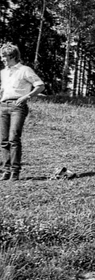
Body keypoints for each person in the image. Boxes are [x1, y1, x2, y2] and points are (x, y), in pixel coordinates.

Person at [0, 43, 45, 181]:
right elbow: (4, 89)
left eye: (4, 56)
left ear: (12, 56)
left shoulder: (25, 70)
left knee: (14, 138)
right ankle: (5, 171)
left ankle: (15, 171)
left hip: (17, 107)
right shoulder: (3, 72)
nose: (2, 59)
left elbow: (40, 85)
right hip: (3, 105)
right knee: (3, 140)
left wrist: (26, 96)